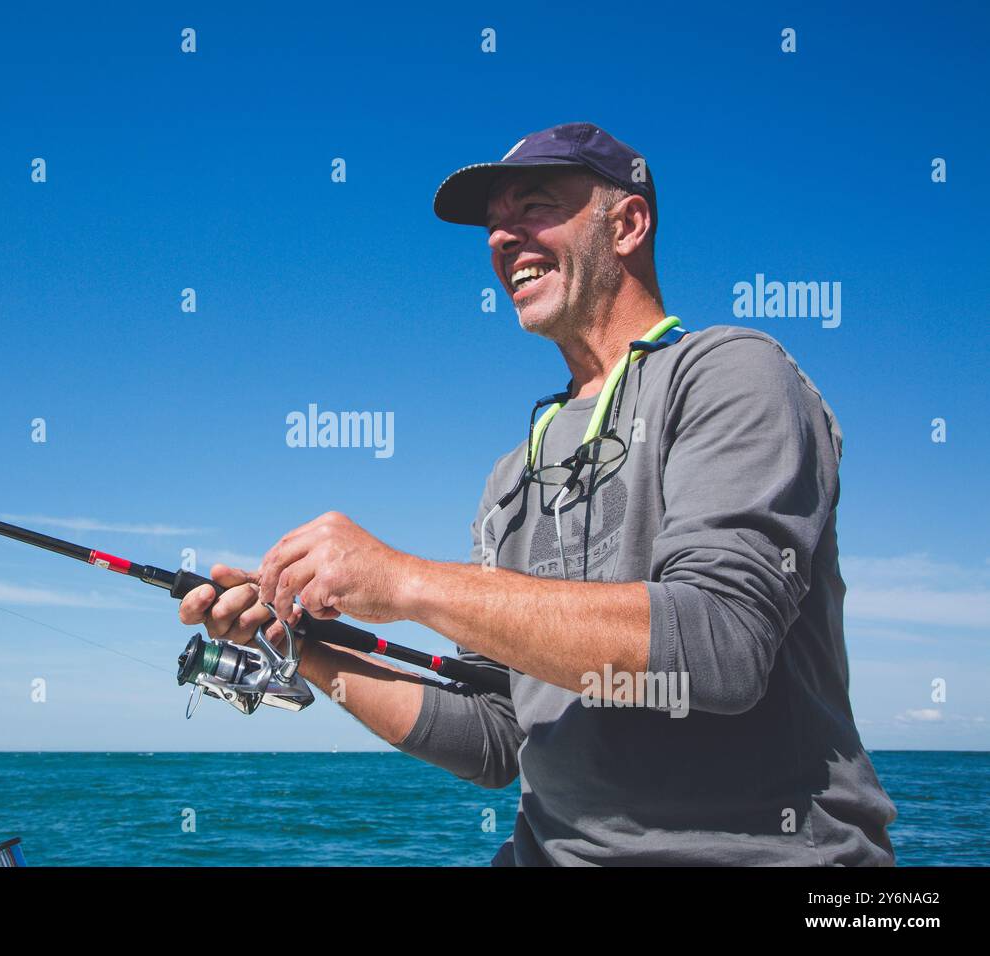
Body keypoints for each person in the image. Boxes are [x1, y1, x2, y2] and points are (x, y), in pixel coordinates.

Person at [179, 122, 897, 866]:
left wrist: (403, 581)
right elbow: (496, 735)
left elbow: (720, 647)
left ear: (628, 224)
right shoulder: (510, 478)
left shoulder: (731, 374)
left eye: (534, 208)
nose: (501, 238)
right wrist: (300, 645)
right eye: (494, 226)